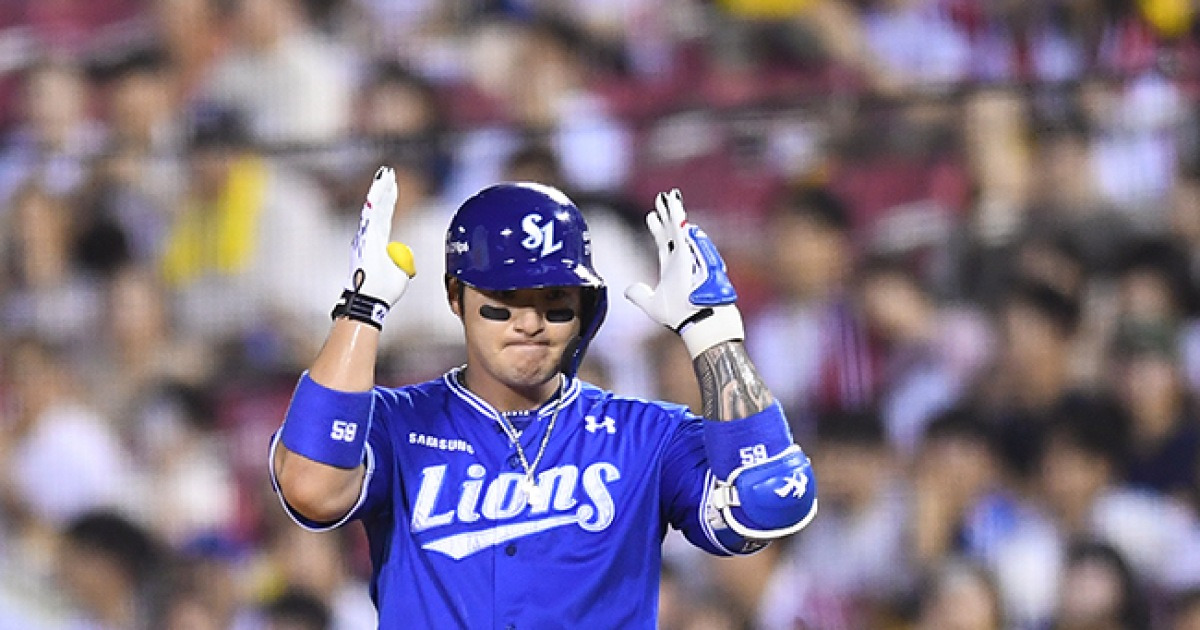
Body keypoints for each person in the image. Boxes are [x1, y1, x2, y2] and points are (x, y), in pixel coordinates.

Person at [269, 167, 818, 627]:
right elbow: (313, 487)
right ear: (457, 296)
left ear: (584, 309)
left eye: (554, 301)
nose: (529, 323)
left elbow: (769, 503)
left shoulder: (647, 435)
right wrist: (363, 308)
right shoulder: (398, 422)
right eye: (504, 300)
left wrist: (711, 333)